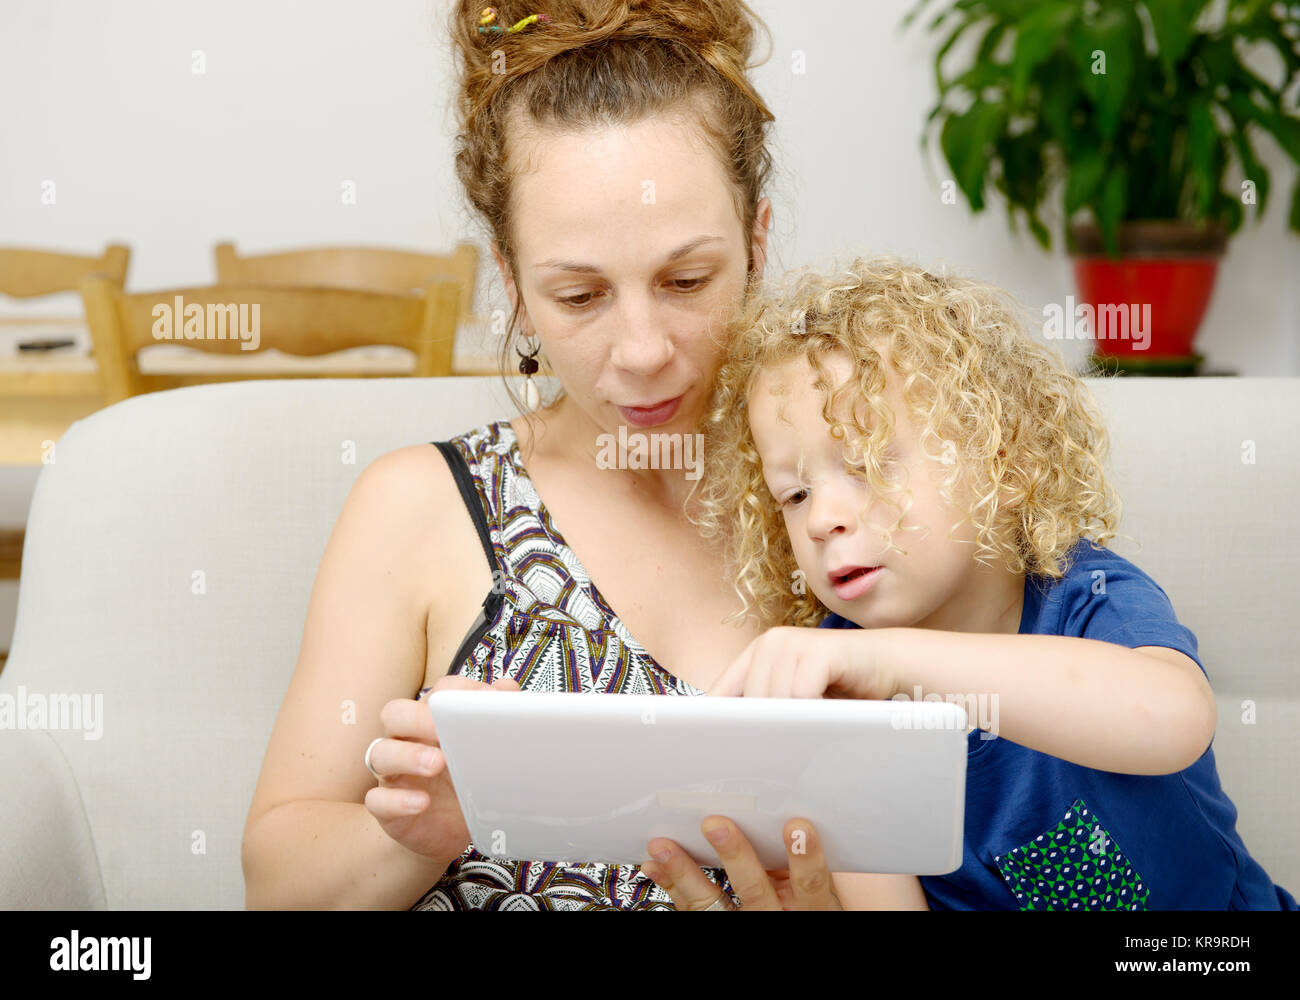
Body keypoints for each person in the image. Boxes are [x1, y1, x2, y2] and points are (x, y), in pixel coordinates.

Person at [241, 0, 922, 911]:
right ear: (513, 282)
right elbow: (275, 891)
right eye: (579, 294)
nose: (641, 350)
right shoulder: (422, 507)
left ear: (757, 244)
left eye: (687, 281)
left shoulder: (852, 497)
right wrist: (430, 831)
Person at [676, 254, 1300, 909]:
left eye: (866, 466)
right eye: (794, 494)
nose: (823, 518)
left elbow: (1176, 721)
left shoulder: (1084, 597)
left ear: (1000, 461)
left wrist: (888, 660)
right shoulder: (838, 703)